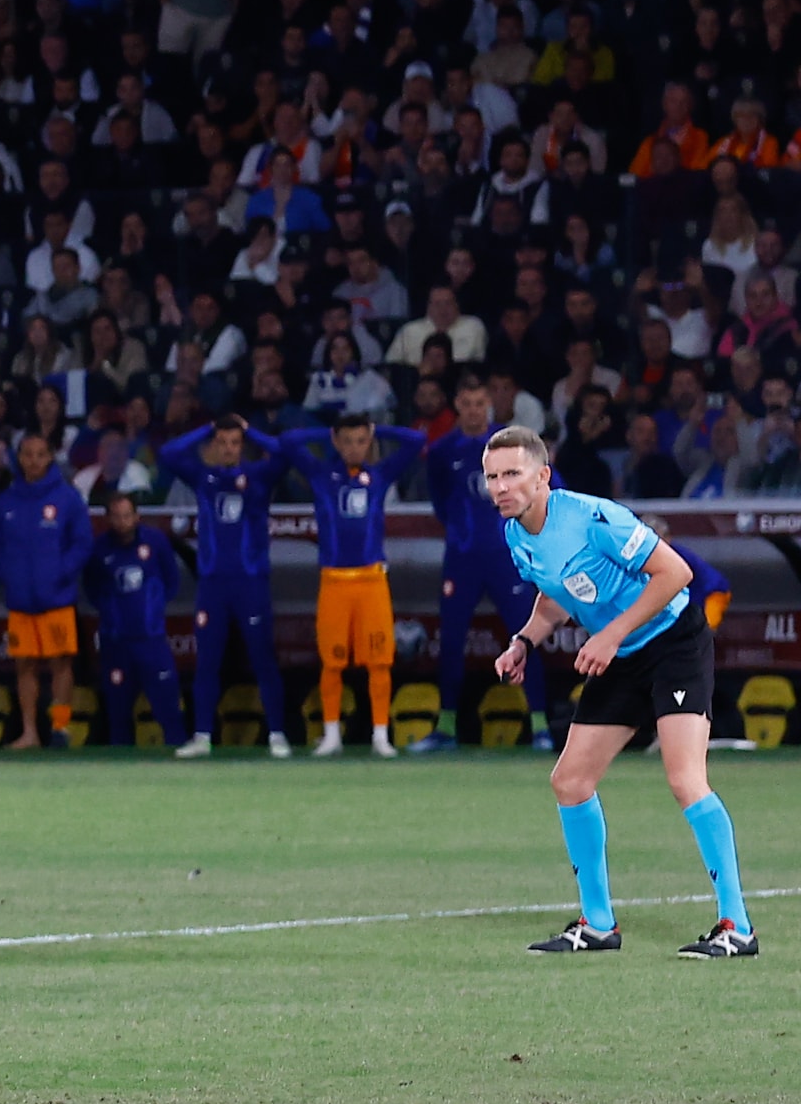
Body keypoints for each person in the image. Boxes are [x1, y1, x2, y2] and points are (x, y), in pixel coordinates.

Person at [486, 429, 756, 959]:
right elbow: (554, 593)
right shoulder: (517, 533)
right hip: (622, 656)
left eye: (512, 474)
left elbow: (674, 573)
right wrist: (523, 641)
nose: (500, 487)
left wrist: (609, 634)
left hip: (674, 643)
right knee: (569, 780)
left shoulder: (592, 517)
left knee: (684, 779)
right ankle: (599, 924)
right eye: (492, 476)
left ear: (543, 476)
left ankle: (738, 927)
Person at [409, 378, 552, 753]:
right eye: (467, 403)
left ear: (489, 404)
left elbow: (545, 491)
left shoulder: (512, 446)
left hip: (509, 558)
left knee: (526, 637)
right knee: (451, 642)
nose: (474, 410)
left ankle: (540, 727)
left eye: (479, 403)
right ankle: (446, 727)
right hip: (462, 558)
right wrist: (462, 532)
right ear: (457, 404)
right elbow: (441, 502)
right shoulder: (442, 451)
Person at [281, 414, 425, 756]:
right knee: (332, 663)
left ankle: (379, 735)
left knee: (379, 661)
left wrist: (378, 430)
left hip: (372, 579)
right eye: (346, 441)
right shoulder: (321, 474)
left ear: (370, 442)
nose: (354, 448)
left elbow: (416, 442)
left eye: (361, 441)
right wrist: (329, 431)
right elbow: (288, 442)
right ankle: (331, 735)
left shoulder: (379, 474)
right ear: (336, 442)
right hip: (334, 581)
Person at [161, 415, 292, 757]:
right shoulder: (203, 477)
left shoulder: (258, 476)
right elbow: (168, 453)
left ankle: (278, 734)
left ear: (243, 446)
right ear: (213, 446)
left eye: (235, 443)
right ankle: (202, 736)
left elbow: (284, 453)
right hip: (212, 585)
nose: (229, 449)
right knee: (206, 661)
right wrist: (206, 427)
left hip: (250, 583)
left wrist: (250, 430)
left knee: (262, 658)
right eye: (222, 442)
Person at [0, 430, 91, 748]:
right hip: (20, 599)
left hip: (56, 597)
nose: (33, 461)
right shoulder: (5, 500)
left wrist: (62, 573)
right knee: (24, 665)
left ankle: (60, 727)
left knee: (61, 663)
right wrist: (9, 576)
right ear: (19, 459)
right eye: (27, 454)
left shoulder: (67, 497)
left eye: (40, 454)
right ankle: (30, 732)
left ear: (50, 458)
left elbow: (82, 542)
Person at [86, 492, 186, 746]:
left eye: (127, 516)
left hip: (152, 642)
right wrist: (113, 614)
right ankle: (121, 773)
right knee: (118, 715)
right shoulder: (99, 549)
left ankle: (180, 766)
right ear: (108, 518)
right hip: (116, 644)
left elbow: (172, 582)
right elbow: (92, 590)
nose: (122, 522)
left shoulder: (156, 542)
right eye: (117, 516)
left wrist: (151, 611)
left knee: (169, 710)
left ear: (137, 516)